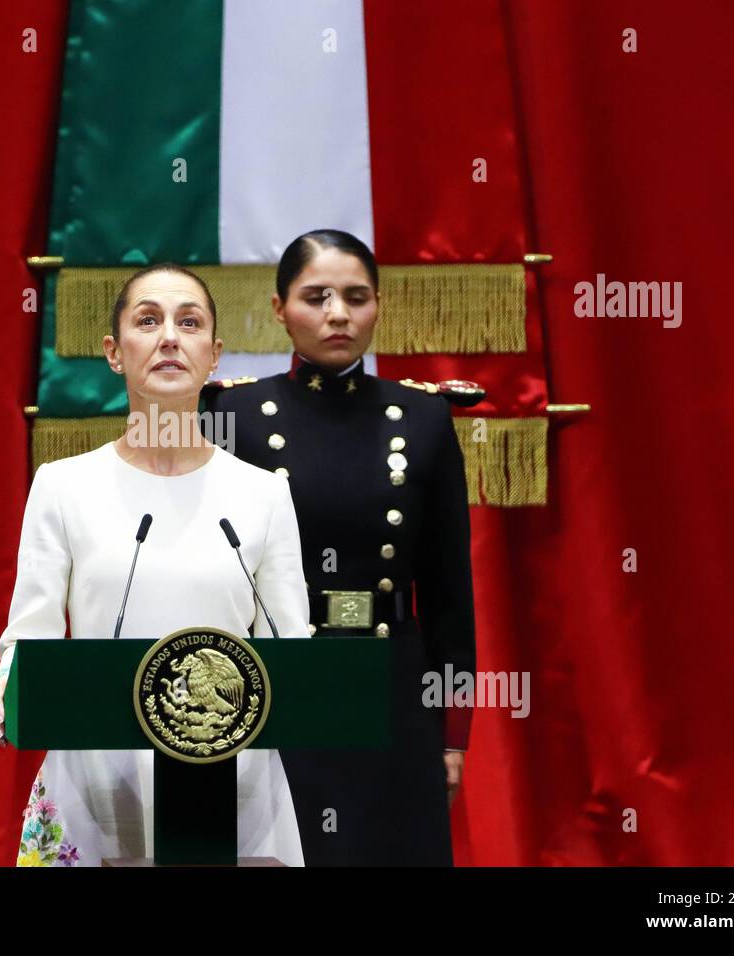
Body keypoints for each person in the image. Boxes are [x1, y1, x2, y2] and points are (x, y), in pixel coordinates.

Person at [0, 264, 310, 867]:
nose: (169, 338)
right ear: (113, 351)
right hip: (98, 784)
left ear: (215, 356)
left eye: (189, 323)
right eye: (148, 321)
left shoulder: (263, 495)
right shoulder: (63, 486)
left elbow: (297, 653)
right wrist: (9, 687)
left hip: (235, 791)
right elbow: (31, 637)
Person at [204, 229, 476, 865]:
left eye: (356, 297)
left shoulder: (423, 419)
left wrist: (452, 736)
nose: (337, 314)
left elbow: (448, 596)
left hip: (392, 690)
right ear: (279, 309)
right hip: (278, 688)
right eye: (316, 296)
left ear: (378, 305)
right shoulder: (231, 416)